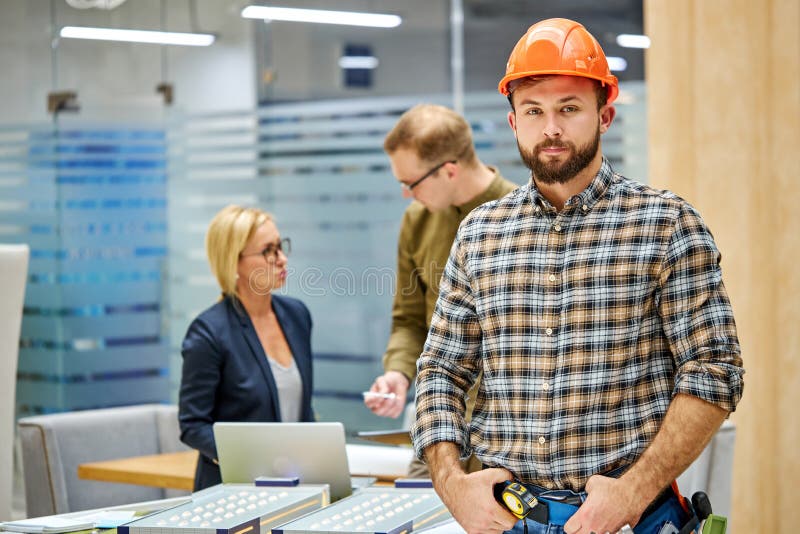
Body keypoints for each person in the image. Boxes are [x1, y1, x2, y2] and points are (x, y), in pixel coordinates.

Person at [411, 18, 744, 534]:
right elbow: (440, 372)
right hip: (506, 517)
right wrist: (454, 486)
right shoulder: (481, 234)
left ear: (604, 114)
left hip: (630, 521)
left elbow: (715, 371)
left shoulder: (666, 224)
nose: (551, 129)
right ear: (512, 120)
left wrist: (632, 494)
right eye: (534, 111)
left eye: (569, 109)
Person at [363, 104, 518, 476]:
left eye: (411, 183)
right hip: (438, 426)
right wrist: (398, 374)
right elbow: (409, 319)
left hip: (509, 435)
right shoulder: (417, 221)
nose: (406, 194)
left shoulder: (521, 217)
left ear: (449, 169)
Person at [178, 205, 315, 490]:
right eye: (268, 251)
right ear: (234, 262)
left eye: (281, 247)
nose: (281, 259)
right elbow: (193, 425)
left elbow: (300, 411)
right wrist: (255, 459)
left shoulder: (296, 315)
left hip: (296, 487)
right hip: (232, 490)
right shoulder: (209, 332)